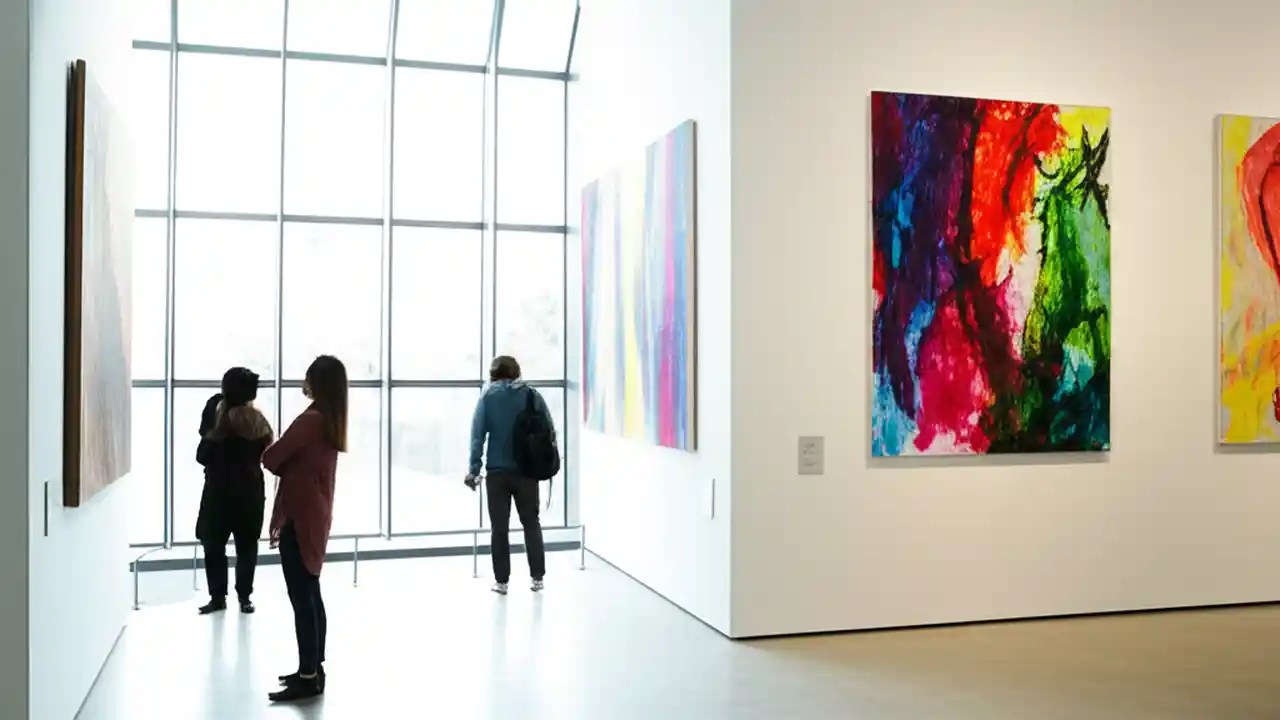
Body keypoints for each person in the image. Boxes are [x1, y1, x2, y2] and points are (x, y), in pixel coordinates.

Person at [263, 355, 348, 703]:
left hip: (299, 513)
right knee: (310, 592)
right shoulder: (331, 418)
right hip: (315, 511)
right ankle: (312, 669)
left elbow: (271, 457)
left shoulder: (311, 419)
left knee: (302, 596)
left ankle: (308, 676)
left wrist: (284, 462)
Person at [466, 355, 554, 595]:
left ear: (493, 373)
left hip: (497, 474)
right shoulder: (531, 395)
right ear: (516, 371)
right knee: (531, 523)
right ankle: (537, 578)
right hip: (527, 472)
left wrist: (474, 469)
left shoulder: (488, 396)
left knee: (499, 528)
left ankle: (502, 582)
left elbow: (477, 435)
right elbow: (548, 429)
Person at [195, 367, 273, 615]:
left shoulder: (219, 419)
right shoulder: (258, 421)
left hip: (218, 492)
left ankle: (218, 597)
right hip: (250, 492)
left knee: (213, 544)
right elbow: (267, 451)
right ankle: (245, 597)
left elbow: (201, 456)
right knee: (247, 546)